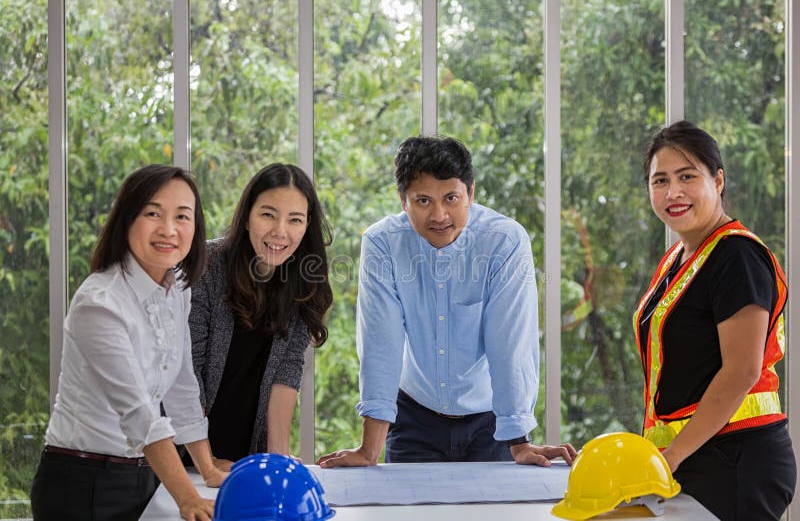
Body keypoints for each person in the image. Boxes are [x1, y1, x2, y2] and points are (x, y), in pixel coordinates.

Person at [317, 135, 576, 467]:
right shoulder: (383, 244)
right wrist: (369, 450)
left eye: (451, 198)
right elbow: (381, 344)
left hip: (491, 423)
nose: (439, 215)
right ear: (402, 200)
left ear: (471, 193)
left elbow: (509, 343)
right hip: (414, 419)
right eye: (423, 201)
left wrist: (519, 441)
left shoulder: (504, 241)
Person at [30, 165, 227, 521]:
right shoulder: (99, 302)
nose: (168, 229)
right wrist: (188, 499)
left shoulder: (177, 289)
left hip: (145, 474)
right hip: (82, 484)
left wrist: (209, 469)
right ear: (127, 219)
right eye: (153, 213)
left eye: (182, 216)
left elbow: (182, 387)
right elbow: (140, 415)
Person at [634, 120, 796, 520]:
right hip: (694, 457)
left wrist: (672, 456)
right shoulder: (678, 259)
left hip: (735, 462)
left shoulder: (736, 256)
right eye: (660, 180)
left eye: (687, 176)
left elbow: (741, 371)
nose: (673, 192)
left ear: (718, 180)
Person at [190, 163, 333, 469]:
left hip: (247, 455)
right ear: (246, 217)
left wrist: (278, 456)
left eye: (295, 220)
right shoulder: (206, 267)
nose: (280, 232)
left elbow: (286, 372)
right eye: (268, 214)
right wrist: (206, 460)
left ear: (307, 225)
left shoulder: (304, 282)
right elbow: (188, 371)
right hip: (185, 450)